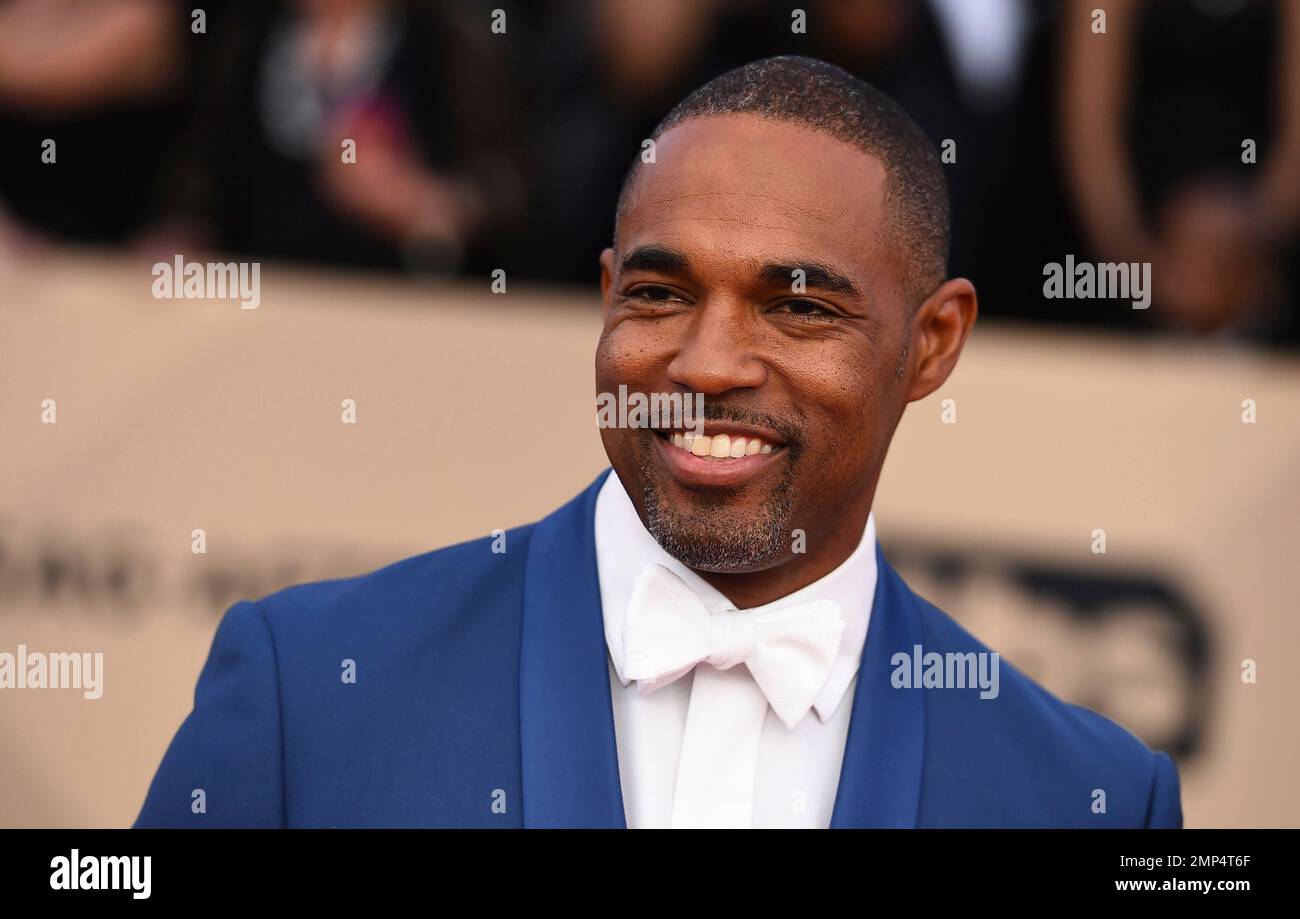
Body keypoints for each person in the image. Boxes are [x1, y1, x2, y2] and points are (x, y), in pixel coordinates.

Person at [134, 56, 1182, 829]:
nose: (708, 363)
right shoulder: (308, 690)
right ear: (604, 300)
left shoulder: (1087, 799)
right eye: (659, 293)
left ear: (932, 343)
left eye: (798, 307)